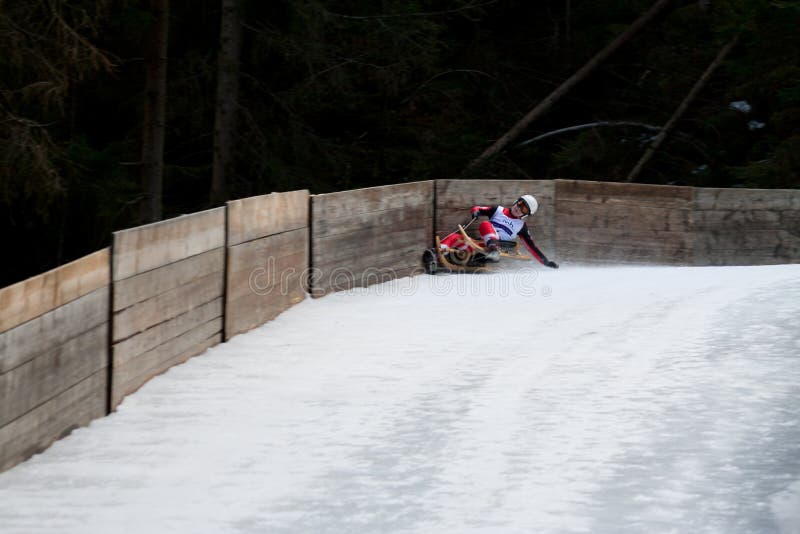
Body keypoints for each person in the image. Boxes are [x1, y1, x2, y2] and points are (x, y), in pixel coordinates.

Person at [440, 194, 559, 268]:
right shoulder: (498, 210)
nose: (518, 208)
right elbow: (478, 208)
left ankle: (493, 250)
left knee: (485, 224)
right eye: (520, 203)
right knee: (455, 237)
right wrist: (475, 212)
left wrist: (545, 262)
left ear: (525, 215)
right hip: (480, 245)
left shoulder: (521, 226)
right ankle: (437, 253)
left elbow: (532, 247)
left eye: (523, 209)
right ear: (516, 201)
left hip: (500, 246)